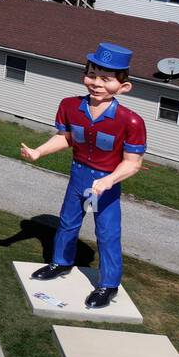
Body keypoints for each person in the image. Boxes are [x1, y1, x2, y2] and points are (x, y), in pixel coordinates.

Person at [19, 42, 146, 309]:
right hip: (79, 176)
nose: (96, 83)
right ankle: (61, 262)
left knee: (107, 233)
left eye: (106, 78)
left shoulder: (130, 121)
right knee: (67, 222)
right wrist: (39, 152)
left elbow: (133, 163)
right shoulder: (69, 106)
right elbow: (65, 138)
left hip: (104, 185)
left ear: (123, 87)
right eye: (92, 75)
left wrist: (109, 180)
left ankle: (108, 284)